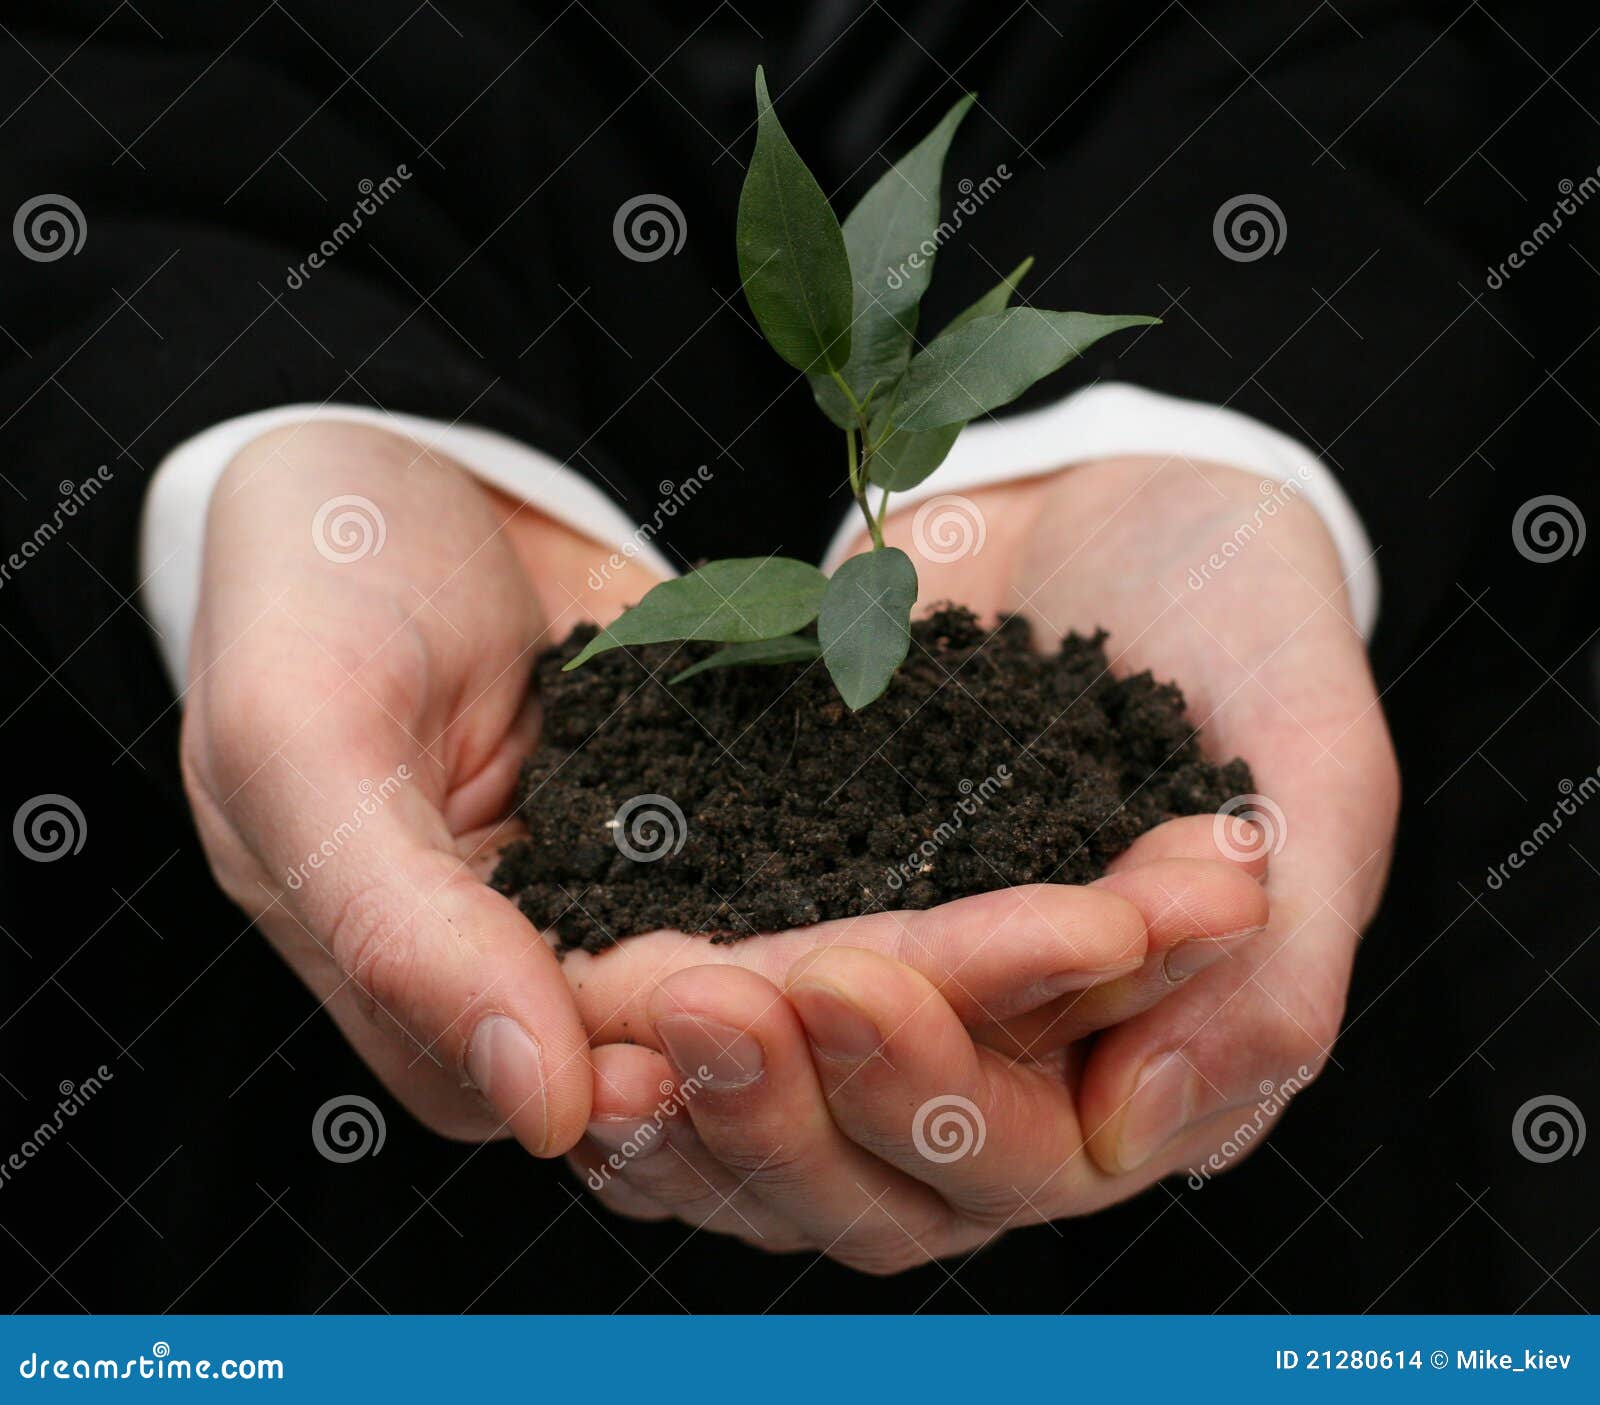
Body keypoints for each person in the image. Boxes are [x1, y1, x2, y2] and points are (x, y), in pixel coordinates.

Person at [1, 3, 1595, 1311]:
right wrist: (276, 412)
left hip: (1302, 1217)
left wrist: (1211, 418)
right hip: (281, 1195)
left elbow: (1442, 59)